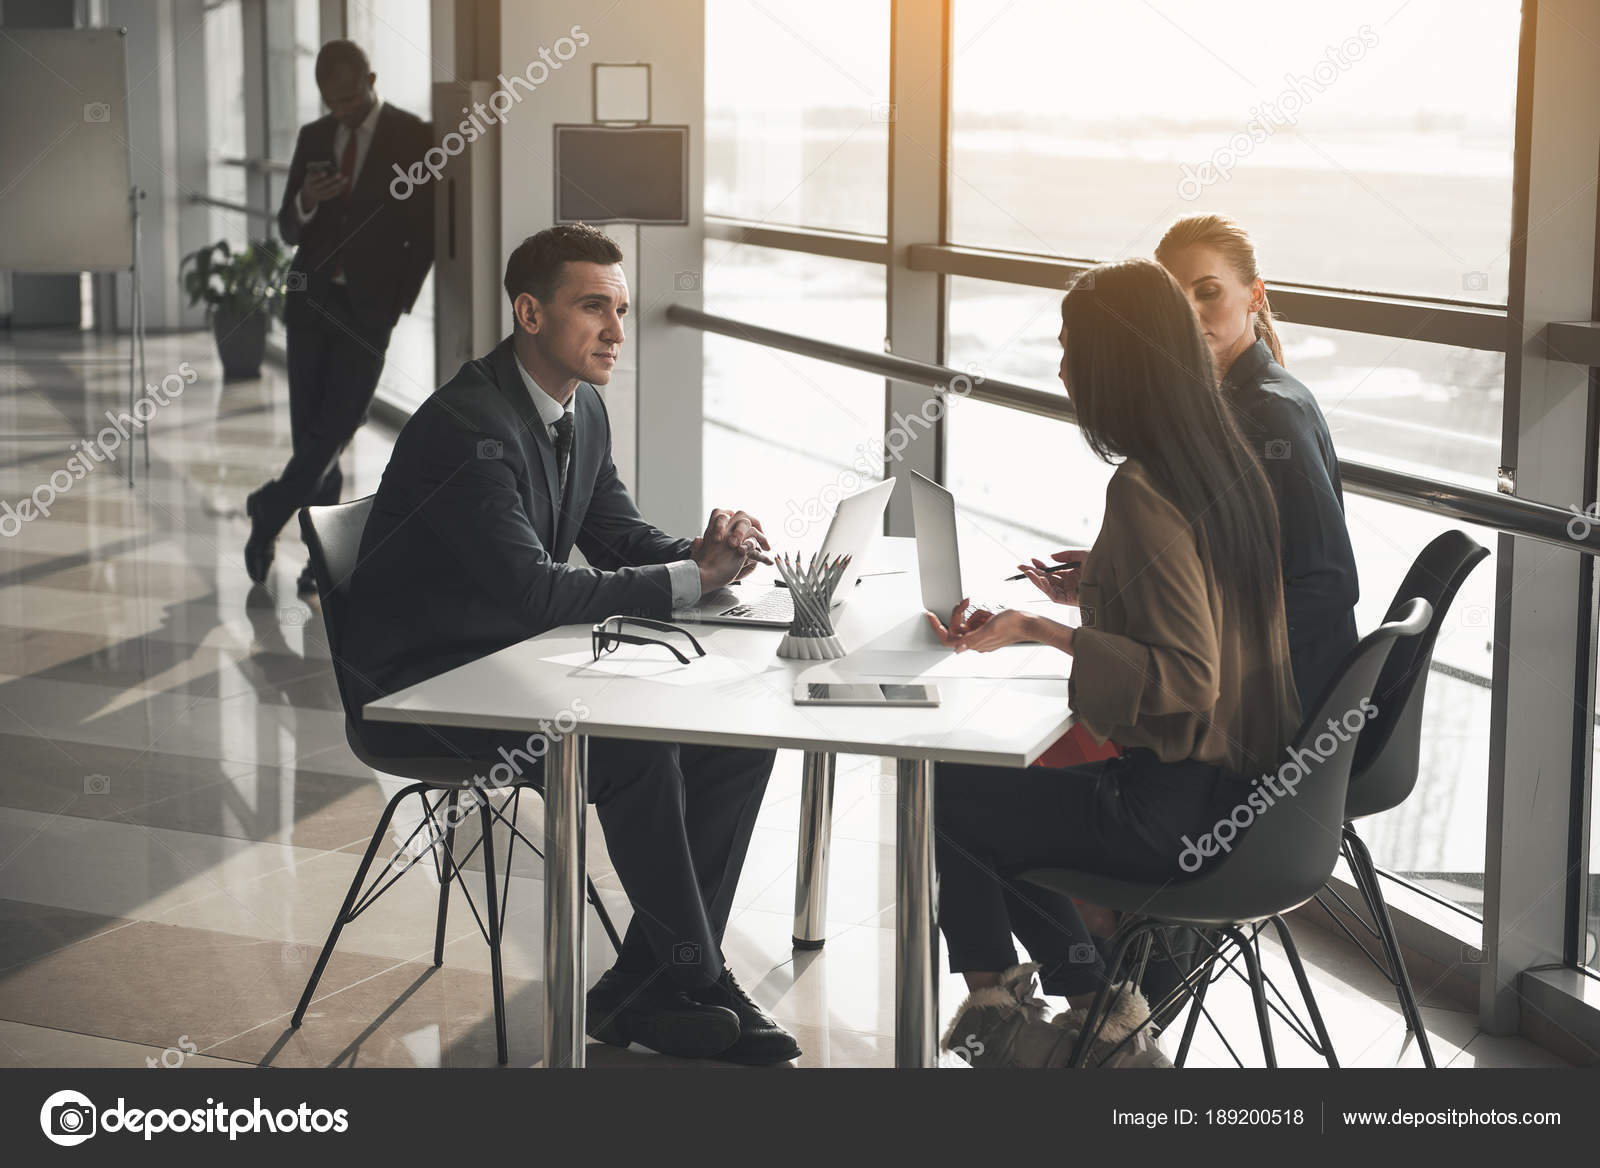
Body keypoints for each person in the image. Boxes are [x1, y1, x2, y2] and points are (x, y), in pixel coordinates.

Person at [341, 223, 800, 1066]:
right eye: (594, 308)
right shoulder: (465, 427)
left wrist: (708, 553)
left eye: (620, 310)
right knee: (630, 747)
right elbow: (535, 591)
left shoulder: (578, 408)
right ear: (529, 312)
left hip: (508, 667)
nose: (618, 333)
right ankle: (693, 982)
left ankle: (647, 984)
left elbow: (618, 535)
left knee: (737, 739)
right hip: (428, 693)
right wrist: (691, 579)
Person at [927, 259, 1301, 1068]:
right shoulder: (1226, 462)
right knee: (987, 795)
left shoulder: (1142, 488)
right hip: (1245, 802)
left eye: (1072, 348)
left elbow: (1185, 678)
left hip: (1173, 820)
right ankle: (1086, 1010)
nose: (1061, 367)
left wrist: (1041, 630)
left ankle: (1029, 1010)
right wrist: (1099, 586)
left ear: (1116, 364)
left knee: (949, 789)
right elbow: (1206, 623)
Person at [245, 40, 434, 593]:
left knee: (336, 427)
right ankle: (320, 562)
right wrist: (306, 198)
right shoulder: (313, 138)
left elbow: (424, 229)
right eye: (333, 103)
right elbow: (287, 227)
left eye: (351, 98)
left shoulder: (411, 136)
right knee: (314, 439)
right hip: (310, 304)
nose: (344, 111)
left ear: (372, 80)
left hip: (370, 311)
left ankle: (269, 509)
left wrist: (398, 301)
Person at [1156, 213, 1359, 709]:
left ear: (1255, 295)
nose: (1189, 314)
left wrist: (1208, 658)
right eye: (1172, 301)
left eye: (1207, 292)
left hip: (1281, 706)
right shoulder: (1235, 401)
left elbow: (1328, 583)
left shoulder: (1271, 413)